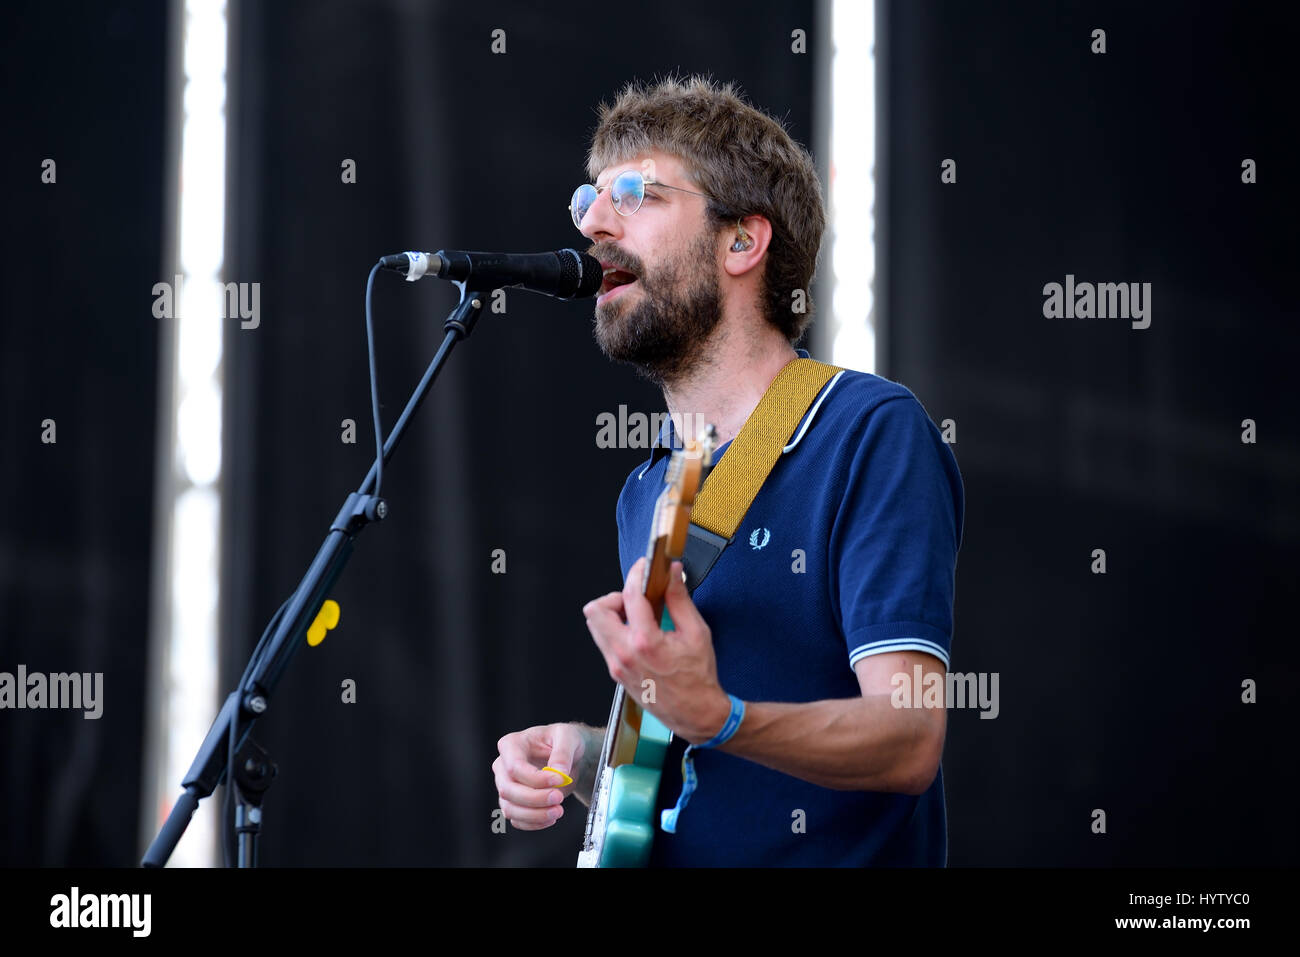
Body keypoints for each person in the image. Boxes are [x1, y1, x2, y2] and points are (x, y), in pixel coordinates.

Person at [492, 75, 964, 866]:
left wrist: (719, 716)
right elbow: (691, 753)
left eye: (636, 193)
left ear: (742, 242)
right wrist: (588, 751)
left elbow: (911, 736)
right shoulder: (647, 488)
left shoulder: (868, 433)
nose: (596, 224)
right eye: (589, 200)